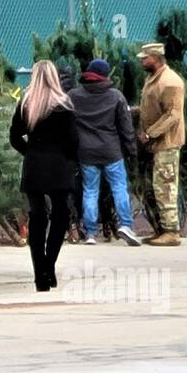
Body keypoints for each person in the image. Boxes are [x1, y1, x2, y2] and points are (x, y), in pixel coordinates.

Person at [8, 60, 79, 292]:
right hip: (59, 167)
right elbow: (73, 141)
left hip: (35, 166)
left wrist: (30, 152)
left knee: (37, 216)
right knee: (61, 215)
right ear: (54, 77)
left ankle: (40, 274)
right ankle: (50, 264)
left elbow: (14, 136)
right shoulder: (64, 104)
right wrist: (69, 159)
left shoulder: (26, 103)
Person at [68, 58, 142, 246]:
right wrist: (131, 151)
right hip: (111, 151)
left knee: (90, 190)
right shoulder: (115, 96)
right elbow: (126, 127)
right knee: (119, 188)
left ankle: (91, 232)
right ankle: (125, 225)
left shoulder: (74, 96)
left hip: (86, 152)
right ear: (106, 75)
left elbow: (67, 123)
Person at [136, 42, 186, 246]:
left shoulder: (170, 82)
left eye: (145, 58)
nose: (142, 61)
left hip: (166, 143)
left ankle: (171, 231)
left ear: (156, 58)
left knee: (165, 186)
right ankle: (161, 229)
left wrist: (150, 133)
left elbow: (173, 114)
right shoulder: (152, 79)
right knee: (156, 187)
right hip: (155, 145)